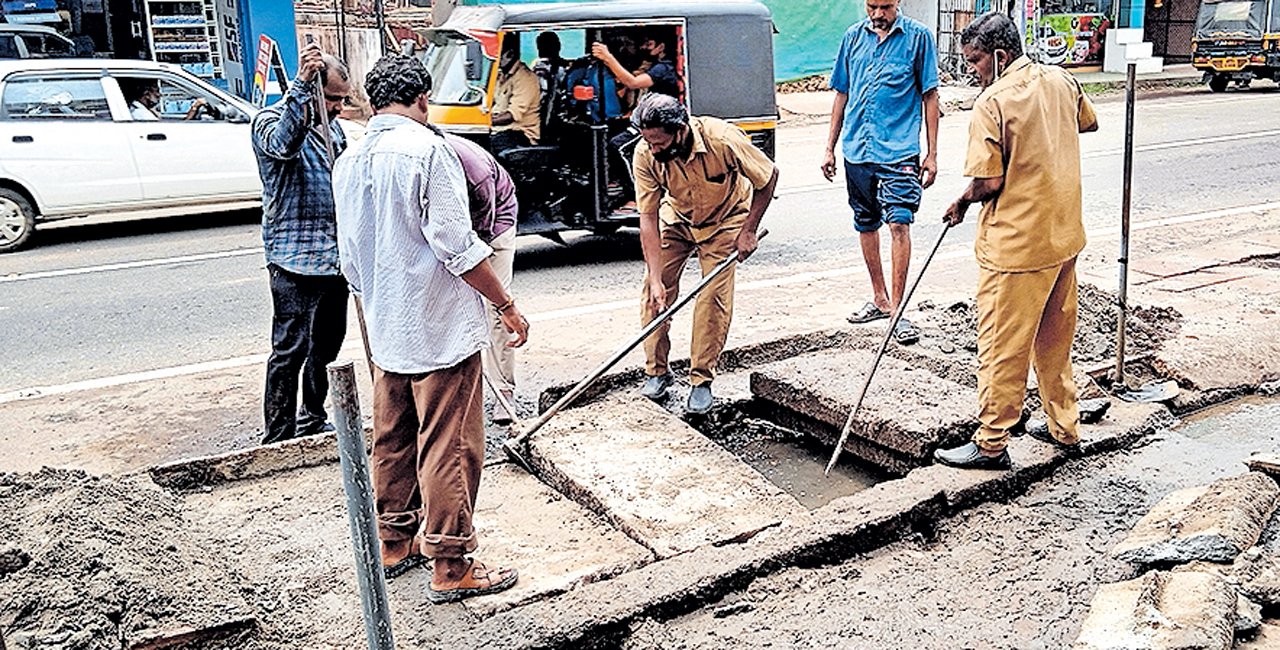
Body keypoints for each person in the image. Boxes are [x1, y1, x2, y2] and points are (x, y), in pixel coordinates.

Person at [332, 54, 529, 602]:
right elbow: (457, 247)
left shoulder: (348, 159)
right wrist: (506, 304)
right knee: (450, 443)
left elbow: (350, 259)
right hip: (439, 324)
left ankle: (394, 541)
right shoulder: (429, 151)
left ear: (372, 102)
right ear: (422, 100)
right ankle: (450, 563)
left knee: (392, 434)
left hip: (384, 322)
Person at [933, 13, 1099, 470]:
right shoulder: (1061, 81)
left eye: (975, 61)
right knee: (1054, 343)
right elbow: (1088, 123)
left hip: (1017, 247)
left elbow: (988, 181)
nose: (972, 70)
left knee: (1001, 348)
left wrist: (963, 201)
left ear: (1000, 56)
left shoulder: (993, 102)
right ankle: (1064, 426)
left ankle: (991, 443)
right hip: (1062, 237)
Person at [631, 93, 778, 414]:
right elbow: (648, 218)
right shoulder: (645, 153)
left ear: (680, 130)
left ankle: (701, 379)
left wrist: (749, 230)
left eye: (659, 143)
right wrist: (655, 278)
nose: (653, 149)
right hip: (677, 218)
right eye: (649, 142)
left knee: (712, 296)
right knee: (653, 293)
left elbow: (768, 178)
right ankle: (657, 372)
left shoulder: (722, 140)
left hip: (725, 221)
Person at [821, 0, 939, 345]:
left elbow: (930, 96)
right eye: (871, 6)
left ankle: (898, 312)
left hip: (899, 150)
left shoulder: (919, 38)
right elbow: (841, 94)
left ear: (898, 2)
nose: (877, 14)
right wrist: (829, 147)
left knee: (899, 223)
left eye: (884, 6)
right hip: (857, 148)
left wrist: (932, 154)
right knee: (865, 221)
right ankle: (880, 299)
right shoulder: (852, 37)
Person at [251, 42, 351, 445]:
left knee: (326, 347)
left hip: (334, 259)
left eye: (343, 100)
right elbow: (284, 145)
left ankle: (312, 418)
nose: (338, 108)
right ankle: (279, 434)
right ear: (310, 90)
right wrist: (302, 86)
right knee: (290, 350)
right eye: (331, 98)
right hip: (294, 261)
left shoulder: (335, 129)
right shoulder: (269, 122)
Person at [442, 132, 521, 424]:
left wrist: (495, 294)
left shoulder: (472, 169)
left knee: (496, 306)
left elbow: (479, 239)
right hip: (451, 226)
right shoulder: (417, 160)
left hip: (494, 224)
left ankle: (503, 388)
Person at [591, 29, 680, 99]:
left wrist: (608, 57)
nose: (643, 47)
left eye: (649, 44)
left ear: (661, 47)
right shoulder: (650, 64)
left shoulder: (664, 68)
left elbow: (633, 83)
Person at [491, 33, 541, 154]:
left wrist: (485, 121)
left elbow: (512, 115)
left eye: (497, 54)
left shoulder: (525, 78)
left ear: (510, 54)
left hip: (520, 133)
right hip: (497, 130)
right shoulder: (500, 75)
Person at [121, 78, 207, 121]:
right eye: (157, 91)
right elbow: (173, 134)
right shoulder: (141, 114)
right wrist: (194, 108)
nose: (160, 95)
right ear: (146, 94)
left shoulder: (145, 110)